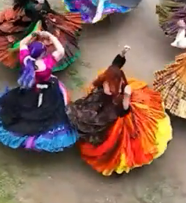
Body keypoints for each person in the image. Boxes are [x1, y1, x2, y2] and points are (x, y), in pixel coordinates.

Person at [68, 46, 172, 175]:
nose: (107, 85)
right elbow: (115, 65)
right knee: (86, 115)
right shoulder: (108, 80)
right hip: (103, 104)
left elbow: (123, 111)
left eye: (109, 84)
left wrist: (127, 96)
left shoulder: (118, 92)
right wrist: (122, 54)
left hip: (114, 110)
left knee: (101, 127)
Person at [0, 30, 79, 152]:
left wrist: (32, 35)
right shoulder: (46, 64)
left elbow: (22, 44)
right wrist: (50, 36)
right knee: (50, 112)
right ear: (43, 53)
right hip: (47, 93)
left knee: (23, 109)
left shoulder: (26, 59)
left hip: (29, 91)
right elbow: (61, 51)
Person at [0, 0, 83, 73]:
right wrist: (42, 18)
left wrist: (50, 13)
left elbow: (47, 8)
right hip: (37, 21)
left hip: (42, 17)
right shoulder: (32, 6)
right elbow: (37, 18)